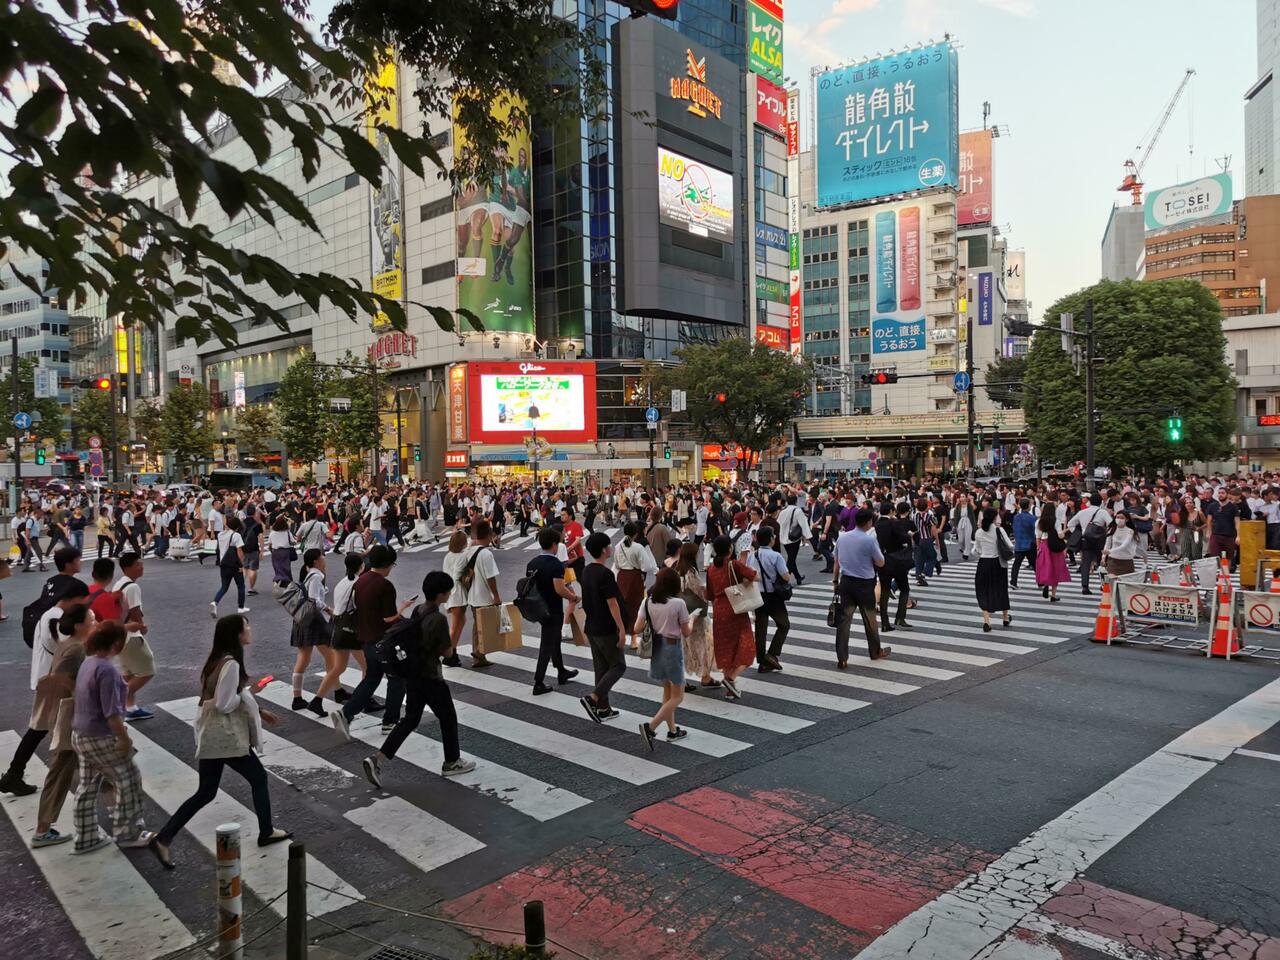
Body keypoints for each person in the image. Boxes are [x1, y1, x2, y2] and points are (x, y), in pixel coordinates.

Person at [150, 615, 290, 868]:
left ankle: (164, 838)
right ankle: (266, 831)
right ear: (237, 634)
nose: (250, 630)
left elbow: (217, 697)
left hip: (211, 733)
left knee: (206, 792)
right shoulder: (232, 664)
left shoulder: (216, 660)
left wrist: (256, 707)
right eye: (246, 626)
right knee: (258, 778)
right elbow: (226, 704)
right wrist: (251, 694)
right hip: (226, 736)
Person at [361, 571, 476, 787]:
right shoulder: (438, 619)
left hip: (412, 674)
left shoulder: (419, 609)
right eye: (448, 591)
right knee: (448, 717)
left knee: (410, 718)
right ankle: (452, 762)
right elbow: (448, 653)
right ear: (442, 594)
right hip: (431, 675)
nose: (450, 593)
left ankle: (377, 759)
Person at [2, 579, 91, 796]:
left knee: (41, 729)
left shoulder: (52, 614)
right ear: (72, 599)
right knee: (45, 729)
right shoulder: (55, 617)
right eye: (82, 601)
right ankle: (16, 775)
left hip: (51, 681)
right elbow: (69, 649)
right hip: (55, 682)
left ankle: (13, 774)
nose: (83, 607)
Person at [70, 621, 153, 854]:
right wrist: (124, 739)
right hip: (100, 736)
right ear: (116, 643)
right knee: (128, 779)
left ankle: (85, 836)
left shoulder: (89, 662)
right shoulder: (107, 670)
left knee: (87, 785)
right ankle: (128, 833)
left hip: (80, 734)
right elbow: (112, 714)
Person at [331, 544, 415, 741]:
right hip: (384, 640)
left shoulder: (361, 581)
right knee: (396, 679)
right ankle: (390, 721)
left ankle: (347, 713)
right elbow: (388, 618)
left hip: (367, 639)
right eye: (392, 565)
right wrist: (403, 607)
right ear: (387, 564)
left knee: (371, 678)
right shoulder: (384, 585)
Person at [28, 604, 92, 846]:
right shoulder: (75, 648)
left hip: (69, 714)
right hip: (71, 717)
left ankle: (123, 818)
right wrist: (79, 693)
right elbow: (61, 676)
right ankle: (43, 829)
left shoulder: (67, 644)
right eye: (91, 618)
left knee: (98, 768)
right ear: (79, 625)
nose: (94, 622)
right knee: (63, 770)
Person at [633, 568, 692, 750]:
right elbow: (686, 632)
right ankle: (650, 727)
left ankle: (672, 730)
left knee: (667, 690)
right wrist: (693, 619)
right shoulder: (678, 603)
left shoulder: (648, 601)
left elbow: (637, 628)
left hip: (656, 647)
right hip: (672, 647)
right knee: (678, 696)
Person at [577, 531, 627, 722]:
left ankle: (603, 709)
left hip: (591, 625)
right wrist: (621, 628)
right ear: (604, 549)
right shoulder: (605, 574)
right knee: (618, 665)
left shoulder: (587, 570)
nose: (611, 548)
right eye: (609, 546)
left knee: (601, 668)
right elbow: (612, 603)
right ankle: (594, 698)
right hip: (606, 627)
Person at [832, 508, 890, 667]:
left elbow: (836, 562)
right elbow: (880, 562)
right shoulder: (869, 540)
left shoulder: (842, 538)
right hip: (864, 583)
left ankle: (842, 658)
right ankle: (875, 651)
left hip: (846, 582)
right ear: (869, 522)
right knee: (870, 620)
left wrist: (835, 581)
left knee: (844, 621)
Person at [525, 527, 580, 694]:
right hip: (552, 608)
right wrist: (573, 597)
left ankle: (561, 671)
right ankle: (538, 682)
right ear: (555, 545)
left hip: (538, 607)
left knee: (554, 639)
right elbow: (559, 589)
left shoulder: (532, 563)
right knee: (547, 645)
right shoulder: (555, 564)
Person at [311, 552, 367, 715]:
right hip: (350, 630)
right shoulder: (358, 583)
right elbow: (359, 607)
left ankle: (317, 700)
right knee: (367, 667)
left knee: (338, 668)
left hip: (337, 626)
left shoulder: (343, 582)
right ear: (361, 566)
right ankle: (364, 700)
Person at [704, 534, 757, 700]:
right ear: (730, 549)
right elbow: (754, 576)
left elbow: (710, 594)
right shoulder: (734, 565)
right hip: (736, 607)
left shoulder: (711, 568)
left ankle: (730, 691)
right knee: (746, 647)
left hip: (719, 610)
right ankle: (731, 678)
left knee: (726, 649)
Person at [289, 548, 336, 710]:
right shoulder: (316, 577)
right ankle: (324, 696)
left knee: (303, 658)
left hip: (301, 620)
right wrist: (329, 609)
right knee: (332, 659)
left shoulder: (309, 574)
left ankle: (297, 698)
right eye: (322, 556)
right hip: (315, 622)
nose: (325, 559)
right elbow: (314, 600)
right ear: (316, 561)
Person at [113, 552, 155, 721]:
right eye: (138, 564)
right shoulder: (132, 587)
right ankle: (119, 701)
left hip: (119, 634)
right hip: (131, 635)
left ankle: (129, 707)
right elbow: (135, 610)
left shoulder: (120, 584)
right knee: (147, 670)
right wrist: (142, 627)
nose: (142, 567)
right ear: (128, 567)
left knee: (128, 673)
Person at [674, 541, 719, 692]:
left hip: (681, 613)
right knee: (703, 645)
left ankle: (683, 680)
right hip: (696, 615)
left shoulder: (676, 568)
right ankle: (705, 677)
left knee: (685, 646)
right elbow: (701, 592)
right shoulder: (690, 572)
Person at [747, 526, 792, 672]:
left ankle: (762, 659)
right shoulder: (776, 556)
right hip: (773, 596)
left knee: (761, 629)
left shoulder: (752, 555)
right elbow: (785, 576)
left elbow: (749, 573)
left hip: (758, 595)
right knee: (784, 624)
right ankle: (771, 654)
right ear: (771, 539)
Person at [462, 520, 502, 668]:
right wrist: (496, 595)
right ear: (490, 535)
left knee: (477, 626)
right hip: (484, 597)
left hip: (472, 595)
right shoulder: (486, 554)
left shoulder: (469, 551)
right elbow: (490, 577)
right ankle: (479, 653)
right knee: (485, 627)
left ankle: (479, 654)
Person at [874, 501, 913, 633]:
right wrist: (909, 537)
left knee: (885, 590)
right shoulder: (894, 523)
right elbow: (904, 538)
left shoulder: (877, 524)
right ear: (891, 511)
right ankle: (900, 617)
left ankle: (885, 623)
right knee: (904, 588)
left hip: (882, 560)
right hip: (896, 560)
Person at [614, 523, 653, 652]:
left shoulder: (618, 546)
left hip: (622, 576)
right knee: (635, 606)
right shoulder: (638, 547)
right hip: (635, 577)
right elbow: (646, 566)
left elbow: (617, 563)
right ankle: (633, 639)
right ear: (636, 533)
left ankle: (619, 632)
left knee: (621, 605)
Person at [973, 508, 1013, 632]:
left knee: (983, 590)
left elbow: (976, 550)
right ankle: (1005, 618)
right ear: (995, 517)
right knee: (1001, 589)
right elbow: (1010, 546)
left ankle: (986, 621)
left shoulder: (979, 532)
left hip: (984, 563)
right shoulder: (999, 530)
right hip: (998, 564)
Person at [1067, 493, 1110, 595]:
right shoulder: (1103, 512)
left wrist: (1080, 533)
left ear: (1090, 501)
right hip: (1099, 540)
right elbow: (1110, 523)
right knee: (1101, 562)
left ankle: (1085, 586)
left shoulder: (1082, 512)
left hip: (1085, 539)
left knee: (1085, 563)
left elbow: (1070, 524)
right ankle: (1104, 584)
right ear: (1100, 502)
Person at [439, 530, 471, 668]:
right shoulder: (463, 556)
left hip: (448, 590)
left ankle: (453, 651)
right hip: (457, 592)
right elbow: (457, 574)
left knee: (460, 621)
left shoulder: (448, 556)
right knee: (455, 624)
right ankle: (449, 654)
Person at [210, 515, 250, 616]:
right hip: (235, 565)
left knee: (224, 587)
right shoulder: (236, 535)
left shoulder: (220, 534)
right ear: (237, 527)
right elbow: (239, 551)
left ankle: (215, 602)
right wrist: (242, 564)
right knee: (241, 586)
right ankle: (241, 607)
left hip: (224, 563)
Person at [1035, 503, 1070, 602]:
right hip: (1054, 546)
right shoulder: (1056, 521)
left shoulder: (1039, 522)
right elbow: (1060, 535)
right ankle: (1053, 594)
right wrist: (1065, 532)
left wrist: (1038, 549)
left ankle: (1046, 583)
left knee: (1046, 567)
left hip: (1044, 545)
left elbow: (1037, 536)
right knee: (1055, 569)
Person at [1010, 498, 1038, 589]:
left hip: (1019, 543)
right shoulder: (1032, 518)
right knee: (1034, 564)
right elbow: (1034, 531)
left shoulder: (1016, 517)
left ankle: (1013, 582)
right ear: (1029, 506)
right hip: (1030, 543)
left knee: (1016, 564)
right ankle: (1040, 581)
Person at [1103, 511, 1138, 578]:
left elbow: (1124, 546)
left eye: (1122, 518)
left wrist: (1110, 551)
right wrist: (1103, 557)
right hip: (1113, 561)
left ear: (1127, 520)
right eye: (1117, 517)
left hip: (1126, 561)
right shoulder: (1111, 529)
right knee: (1112, 582)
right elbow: (1107, 544)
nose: (1119, 519)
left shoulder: (1130, 531)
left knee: (1125, 585)